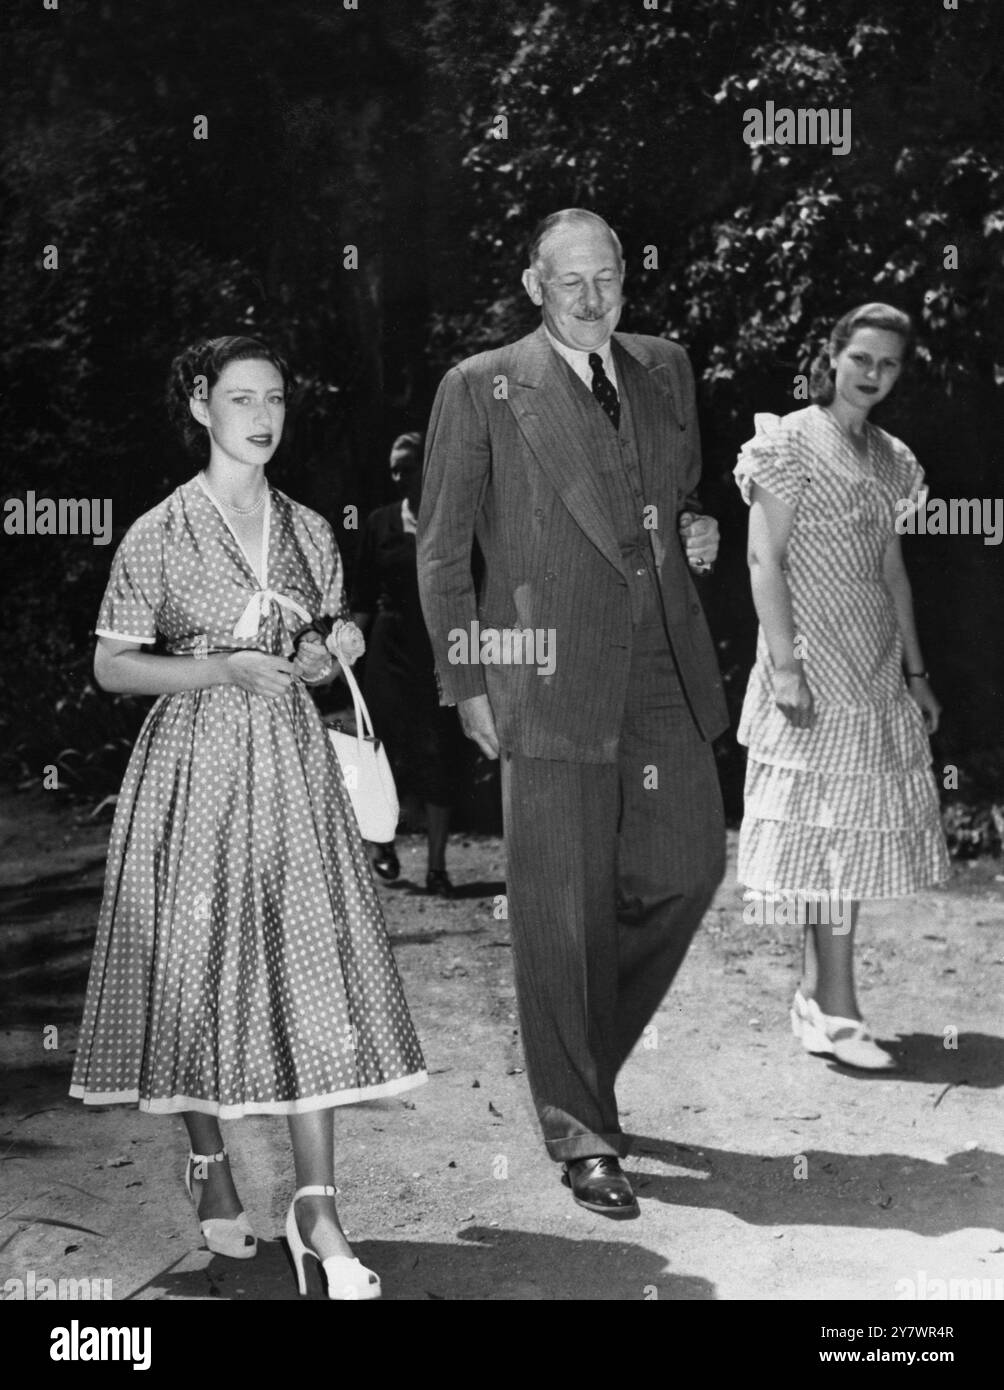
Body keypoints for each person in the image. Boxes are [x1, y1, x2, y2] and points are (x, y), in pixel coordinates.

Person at [69, 335, 426, 1300]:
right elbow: (112, 665)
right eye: (239, 399)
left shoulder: (311, 529)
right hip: (192, 767)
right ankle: (210, 1167)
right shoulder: (160, 531)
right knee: (198, 972)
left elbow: (316, 645)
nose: (261, 416)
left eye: (273, 399)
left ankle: (317, 1209)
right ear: (200, 406)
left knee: (309, 971)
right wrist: (221, 668)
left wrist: (331, 646)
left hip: (293, 768)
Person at [417, 209, 728, 1214]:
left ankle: (577, 1059)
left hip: (661, 664)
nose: (592, 301)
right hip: (539, 672)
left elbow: (677, 498)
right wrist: (464, 681)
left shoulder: (664, 367)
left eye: (607, 279)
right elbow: (442, 550)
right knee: (559, 912)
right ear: (531, 285)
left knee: (687, 866)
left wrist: (697, 532)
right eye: (569, 285)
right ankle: (582, 1130)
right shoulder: (482, 386)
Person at [734, 302, 950, 1070]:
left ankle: (811, 997)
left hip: (872, 670)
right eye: (861, 358)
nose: (873, 375)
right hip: (809, 666)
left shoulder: (891, 457)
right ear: (833, 354)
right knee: (830, 846)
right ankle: (841, 1010)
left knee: (840, 839)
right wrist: (785, 666)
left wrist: (915, 673)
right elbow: (765, 560)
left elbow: (892, 570)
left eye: (889, 364)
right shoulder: (788, 441)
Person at [350, 431, 465, 895]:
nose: (400, 476)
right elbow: (361, 598)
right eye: (394, 468)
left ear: (429, 467)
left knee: (441, 753)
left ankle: (437, 866)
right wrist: (344, 655)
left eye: (408, 467)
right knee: (383, 752)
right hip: (387, 649)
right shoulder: (378, 523)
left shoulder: (455, 520)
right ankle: (383, 845)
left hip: (440, 650)